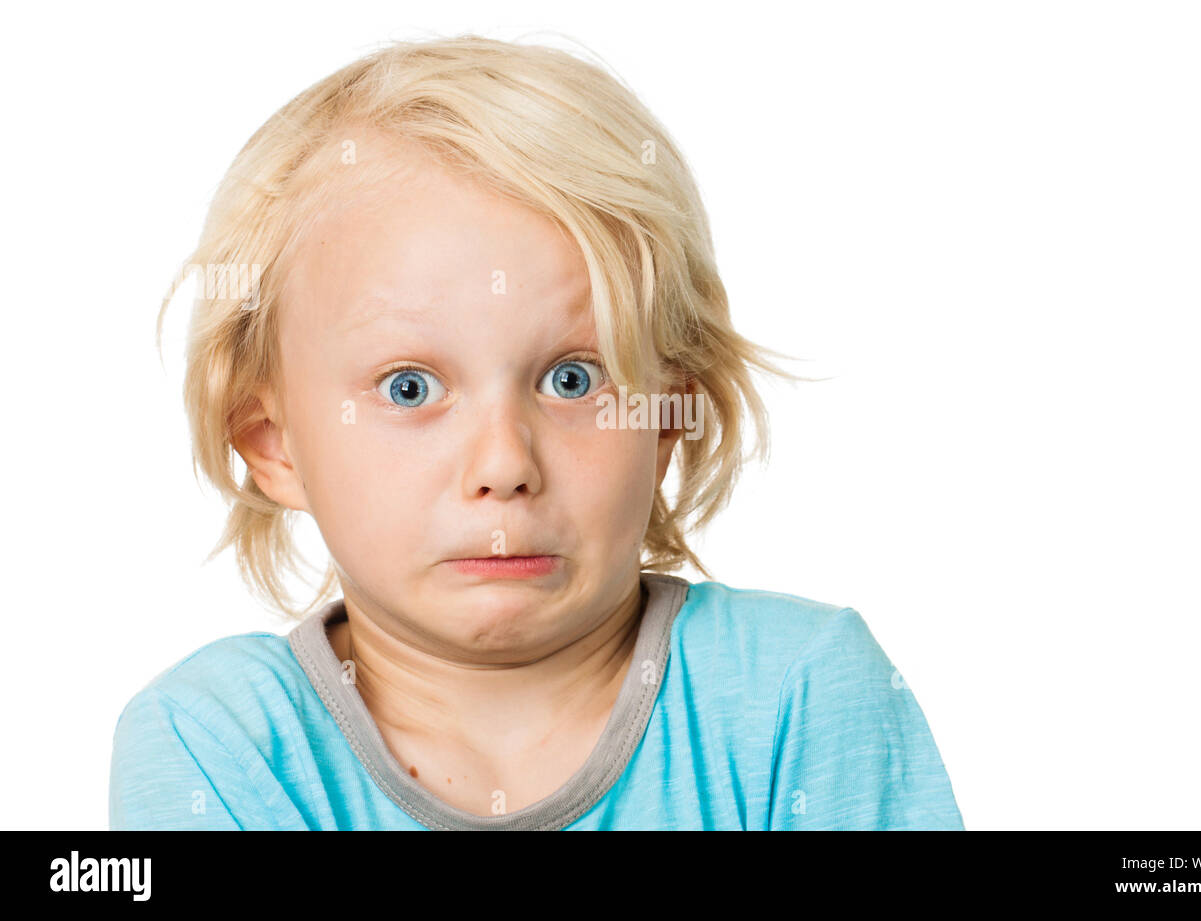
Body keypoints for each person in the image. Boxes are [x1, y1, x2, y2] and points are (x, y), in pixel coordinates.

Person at [109, 34, 963, 830]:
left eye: (572, 379)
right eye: (410, 388)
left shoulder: (801, 692)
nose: (505, 466)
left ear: (667, 415)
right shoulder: (214, 740)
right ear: (272, 443)